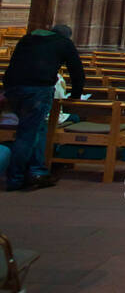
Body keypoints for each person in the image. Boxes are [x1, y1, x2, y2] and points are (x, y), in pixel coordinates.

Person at [3, 22, 85, 191]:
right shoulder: (63, 43)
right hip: (37, 90)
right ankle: (15, 178)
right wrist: (75, 97)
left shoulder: (28, 39)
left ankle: (37, 171)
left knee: (37, 129)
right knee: (27, 134)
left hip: (12, 88)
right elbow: (77, 71)